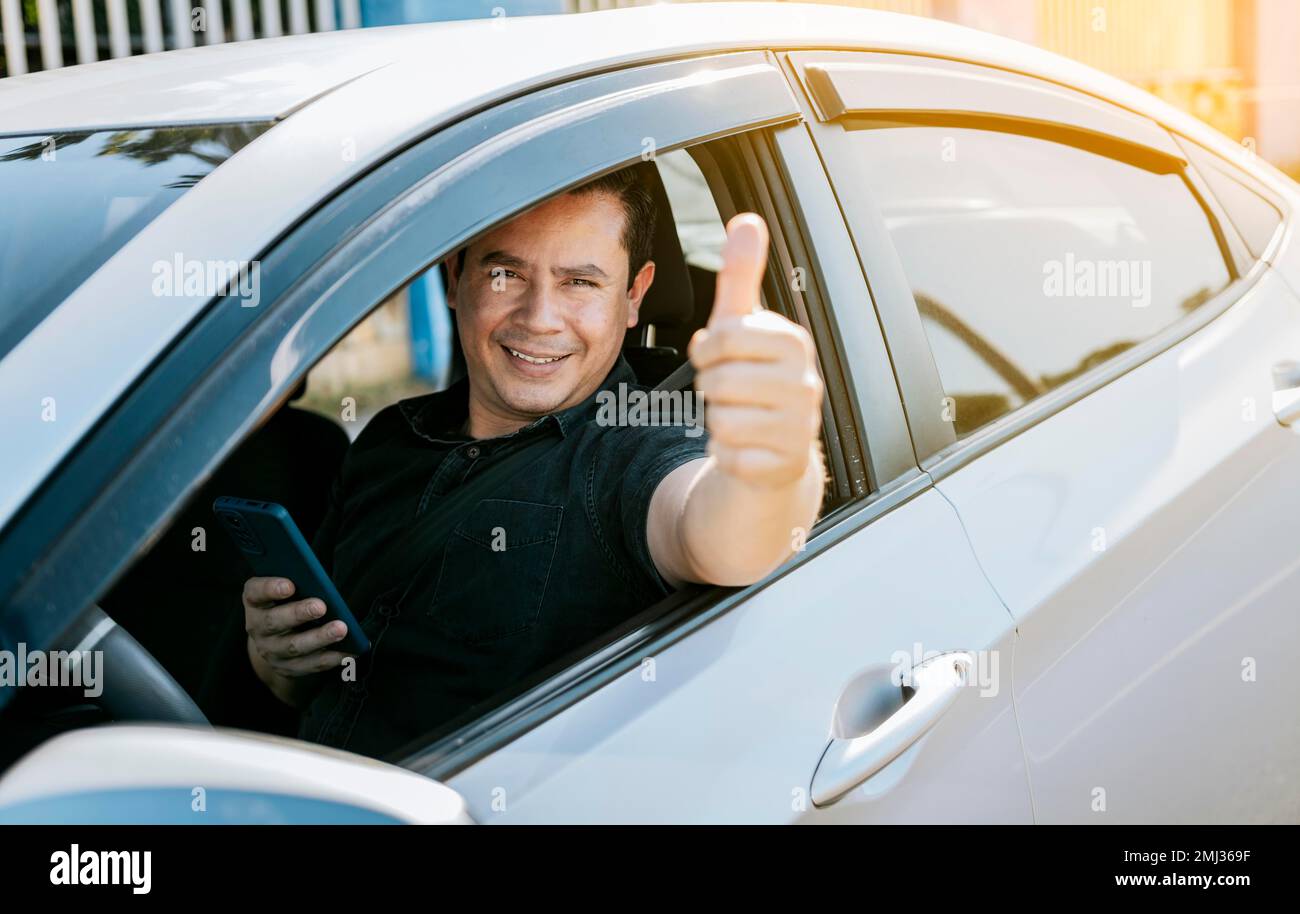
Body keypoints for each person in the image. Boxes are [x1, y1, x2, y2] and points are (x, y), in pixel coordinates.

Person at [240, 166, 826, 758]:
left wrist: (771, 468)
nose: (539, 316)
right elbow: (314, 681)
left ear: (633, 297)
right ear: (454, 277)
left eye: (579, 282)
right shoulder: (387, 438)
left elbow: (717, 533)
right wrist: (281, 668)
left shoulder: (634, 450)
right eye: (505, 273)